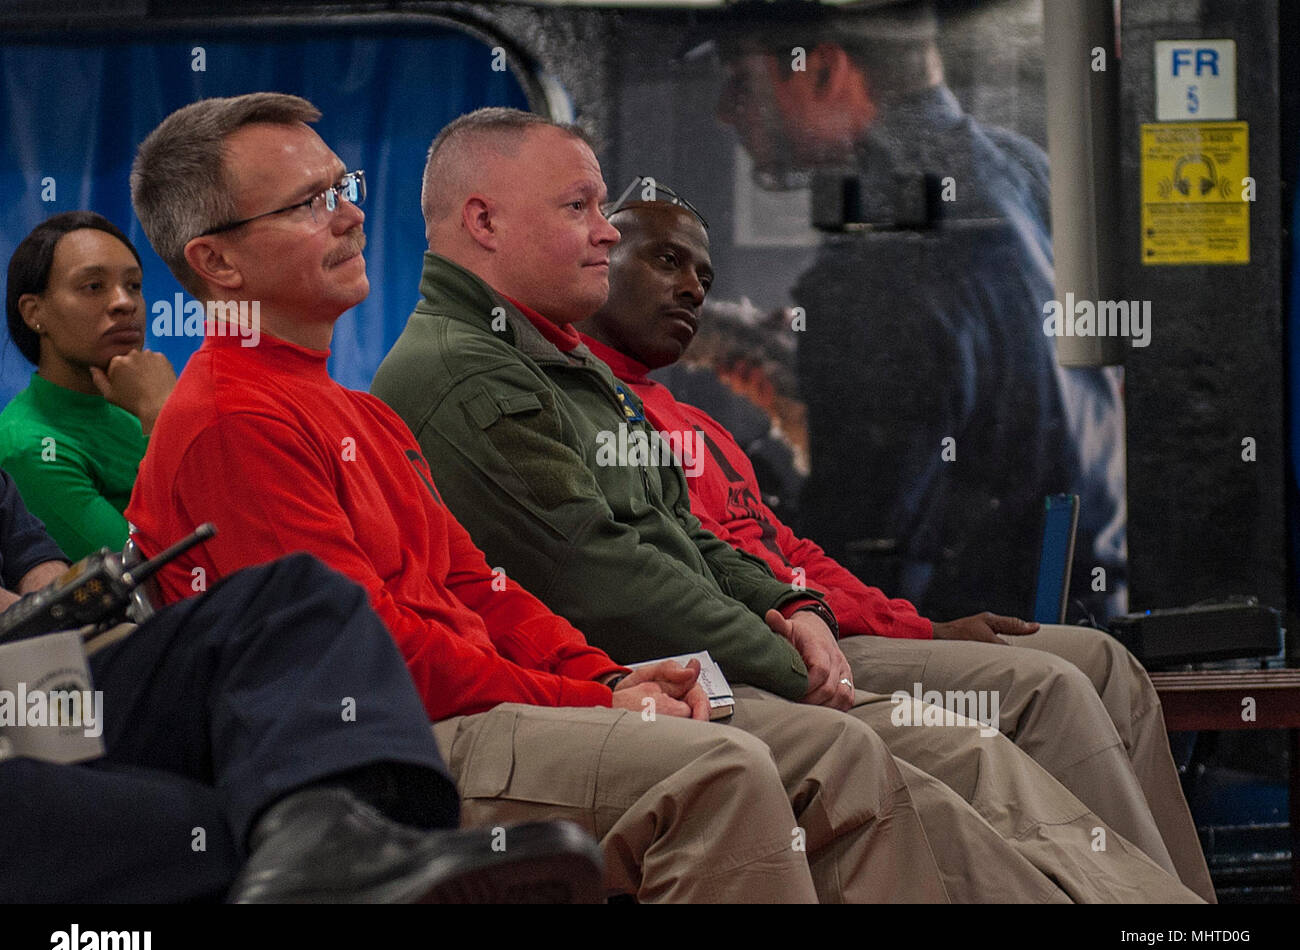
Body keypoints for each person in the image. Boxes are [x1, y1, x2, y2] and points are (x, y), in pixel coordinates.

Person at [122, 92, 943, 904]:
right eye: (309, 204)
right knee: (722, 772)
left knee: (831, 752)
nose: (347, 218)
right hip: (394, 752)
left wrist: (611, 676)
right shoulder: (233, 422)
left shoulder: (356, 411)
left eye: (344, 189)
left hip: (475, 707)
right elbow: (371, 664)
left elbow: (483, 589)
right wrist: (594, 697)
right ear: (217, 263)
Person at [370, 106, 1200, 903]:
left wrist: (793, 605)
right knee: (899, 754)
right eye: (580, 207)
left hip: (689, 661)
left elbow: (690, 540)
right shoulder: (469, 373)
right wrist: (782, 661)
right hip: (635, 673)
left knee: (974, 747)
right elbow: (599, 580)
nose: (606, 228)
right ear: (483, 221)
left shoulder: (561, 370)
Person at [576, 194, 1217, 903]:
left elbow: (791, 558)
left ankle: (1182, 917)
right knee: (1047, 689)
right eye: (667, 261)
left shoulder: (696, 424)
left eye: (704, 274)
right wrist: (867, 629)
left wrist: (922, 623)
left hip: (810, 633)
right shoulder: (601, 417)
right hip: (755, 655)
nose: (693, 287)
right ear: (599, 258)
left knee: (1103, 662)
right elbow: (708, 580)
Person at [0, 468, 602, 903]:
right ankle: (327, 862)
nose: (125, 302)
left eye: (135, 282)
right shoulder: (222, 412)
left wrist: (601, 680)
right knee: (219, 830)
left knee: (296, 599)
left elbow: (44, 576)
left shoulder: (367, 414)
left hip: (30, 694)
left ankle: (329, 844)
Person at [711, 0, 1127, 623]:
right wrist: (810, 404)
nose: (726, 110)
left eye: (742, 79)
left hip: (975, 651)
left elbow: (864, 544)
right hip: (1085, 620)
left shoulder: (880, 249)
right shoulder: (1024, 168)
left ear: (824, 69)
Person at [1, 211, 177, 560]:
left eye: (134, 286)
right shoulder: (30, 447)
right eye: (93, 286)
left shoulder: (129, 403)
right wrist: (164, 417)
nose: (124, 303)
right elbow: (147, 577)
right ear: (34, 312)